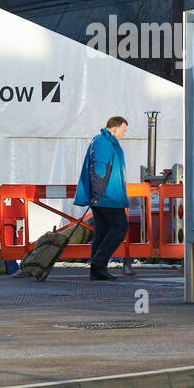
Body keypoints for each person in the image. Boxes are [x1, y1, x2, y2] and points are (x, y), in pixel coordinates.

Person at [74, 116, 130, 281]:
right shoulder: (104, 143)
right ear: (114, 129)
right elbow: (99, 169)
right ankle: (99, 264)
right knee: (120, 227)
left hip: (106, 196)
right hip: (107, 197)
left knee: (103, 230)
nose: (124, 134)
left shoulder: (104, 142)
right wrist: (97, 195)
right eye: (123, 130)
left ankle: (97, 269)